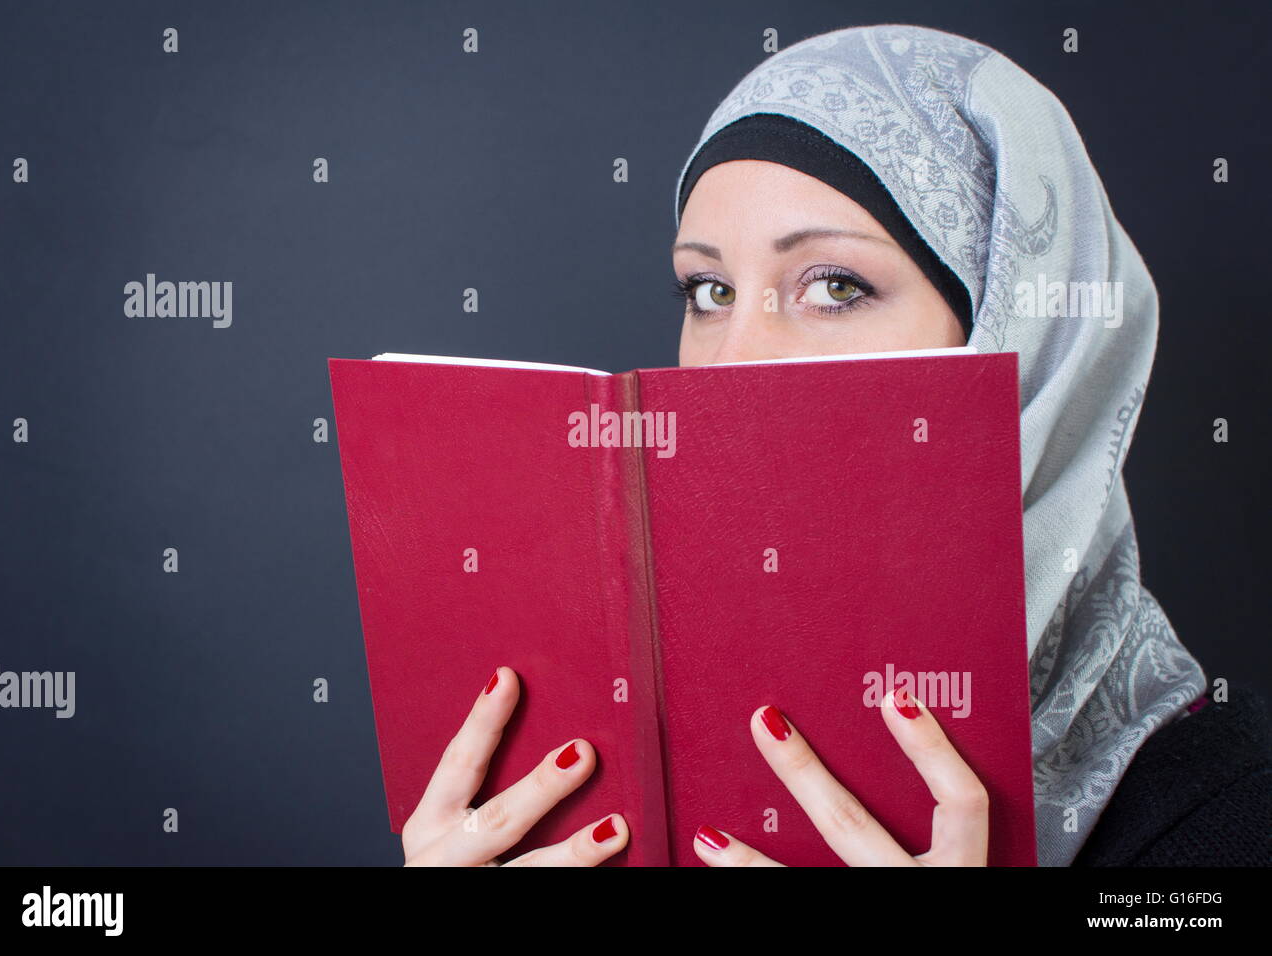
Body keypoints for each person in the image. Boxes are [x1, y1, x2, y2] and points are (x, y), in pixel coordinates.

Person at [398, 23, 1272, 867]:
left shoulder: (1237, 817)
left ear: (1019, 331)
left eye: (837, 285)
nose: (731, 362)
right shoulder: (604, 762)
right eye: (707, 291)